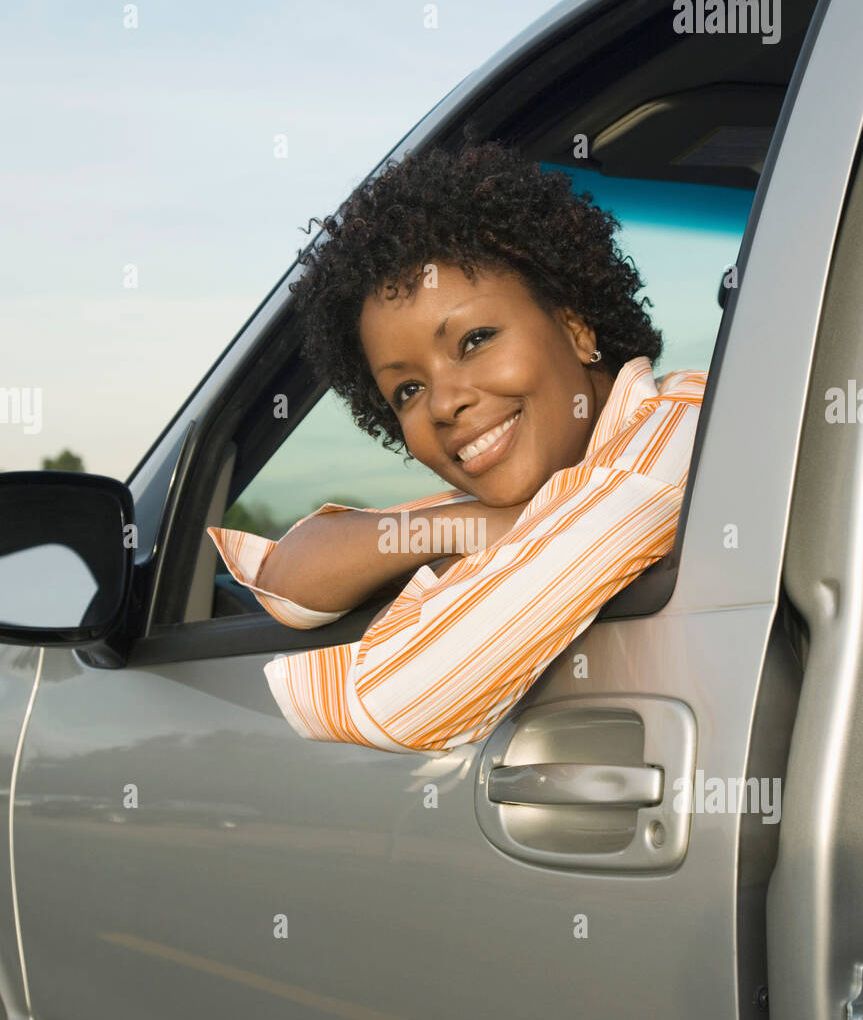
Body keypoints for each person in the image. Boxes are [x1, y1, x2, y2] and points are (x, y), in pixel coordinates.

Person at [208, 141, 706, 753]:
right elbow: (286, 580)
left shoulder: (677, 441)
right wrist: (474, 522)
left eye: (474, 340)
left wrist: (496, 528)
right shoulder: (551, 471)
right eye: (409, 389)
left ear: (575, 327)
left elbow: (395, 703)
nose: (443, 406)